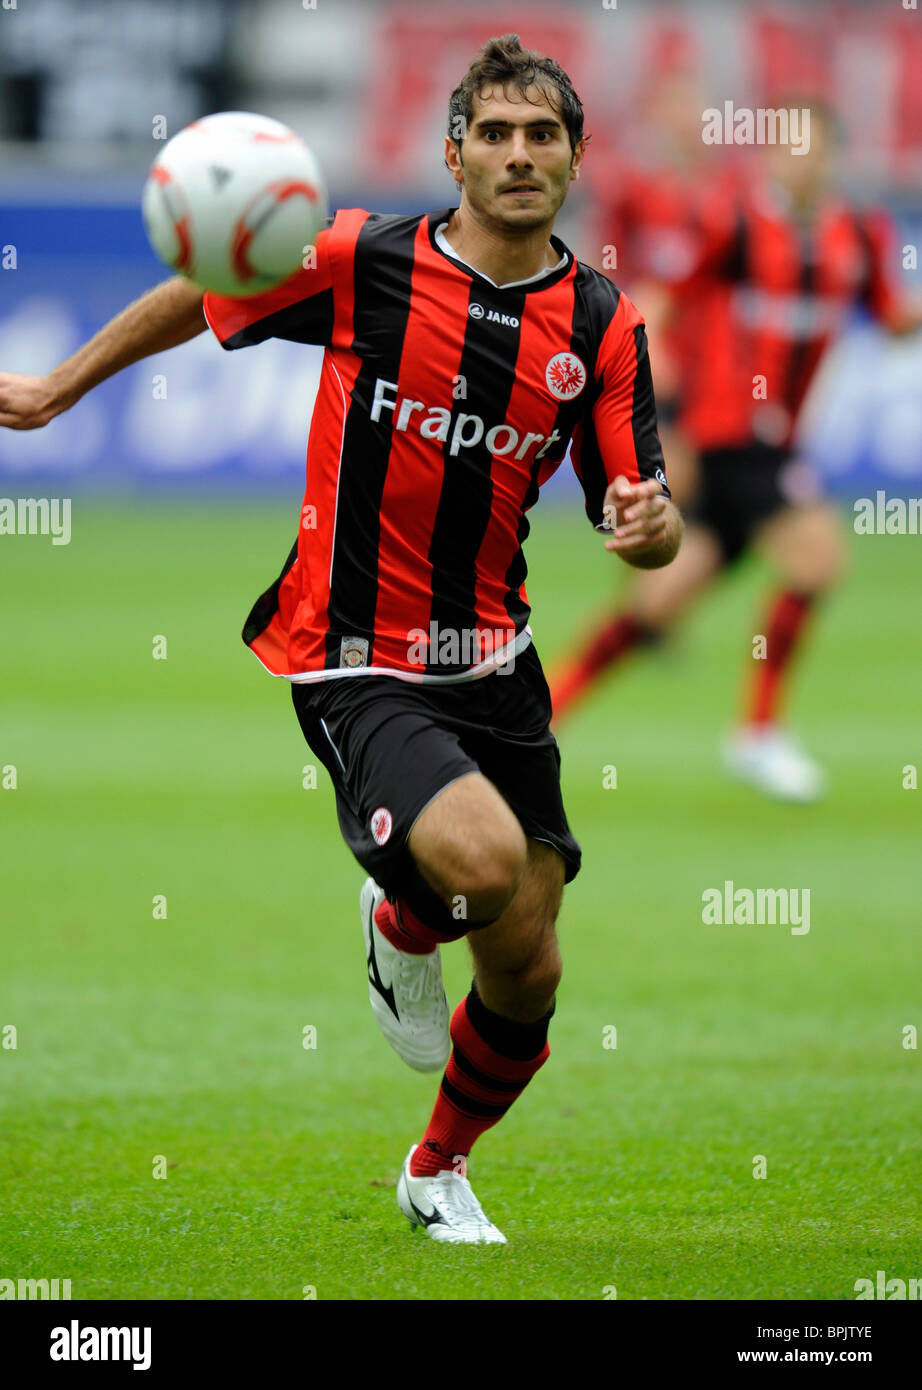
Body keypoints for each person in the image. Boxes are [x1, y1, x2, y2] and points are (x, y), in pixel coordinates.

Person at [0, 33, 682, 1243]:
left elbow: (642, 518)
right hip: (353, 647)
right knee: (475, 867)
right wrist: (59, 386)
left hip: (496, 659)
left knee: (528, 964)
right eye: (495, 133)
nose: (518, 155)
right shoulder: (364, 259)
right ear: (452, 151)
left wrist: (648, 527)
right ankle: (401, 919)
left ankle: (436, 1165)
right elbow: (203, 295)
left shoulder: (600, 323)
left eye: (543, 135)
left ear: (575, 158)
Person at [550, 101, 919, 803]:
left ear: (832, 156)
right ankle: (758, 732)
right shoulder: (732, 220)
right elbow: (659, 303)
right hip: (733, 432)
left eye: (812, 148)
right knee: (818, 555)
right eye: (787, 148)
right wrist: (657, 407)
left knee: (657, 604)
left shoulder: (859, 236)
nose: (799, 160)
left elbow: (892, 317)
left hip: (776, 441)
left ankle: (535, 719)